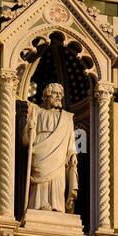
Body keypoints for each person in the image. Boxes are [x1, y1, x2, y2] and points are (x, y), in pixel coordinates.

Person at [22, 83, 78, 214]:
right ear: (47, 96)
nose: (59, 96)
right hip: (41, 149)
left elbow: (71, 139)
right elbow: (26, 141)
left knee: (57, 180)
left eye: (60, 94)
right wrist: (29, 130)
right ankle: (38, 204)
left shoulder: (67, 118)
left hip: (59, 153)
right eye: (55, 93)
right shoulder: (37, 113)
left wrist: (72, 154)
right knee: (41, 180)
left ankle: (56, 205)